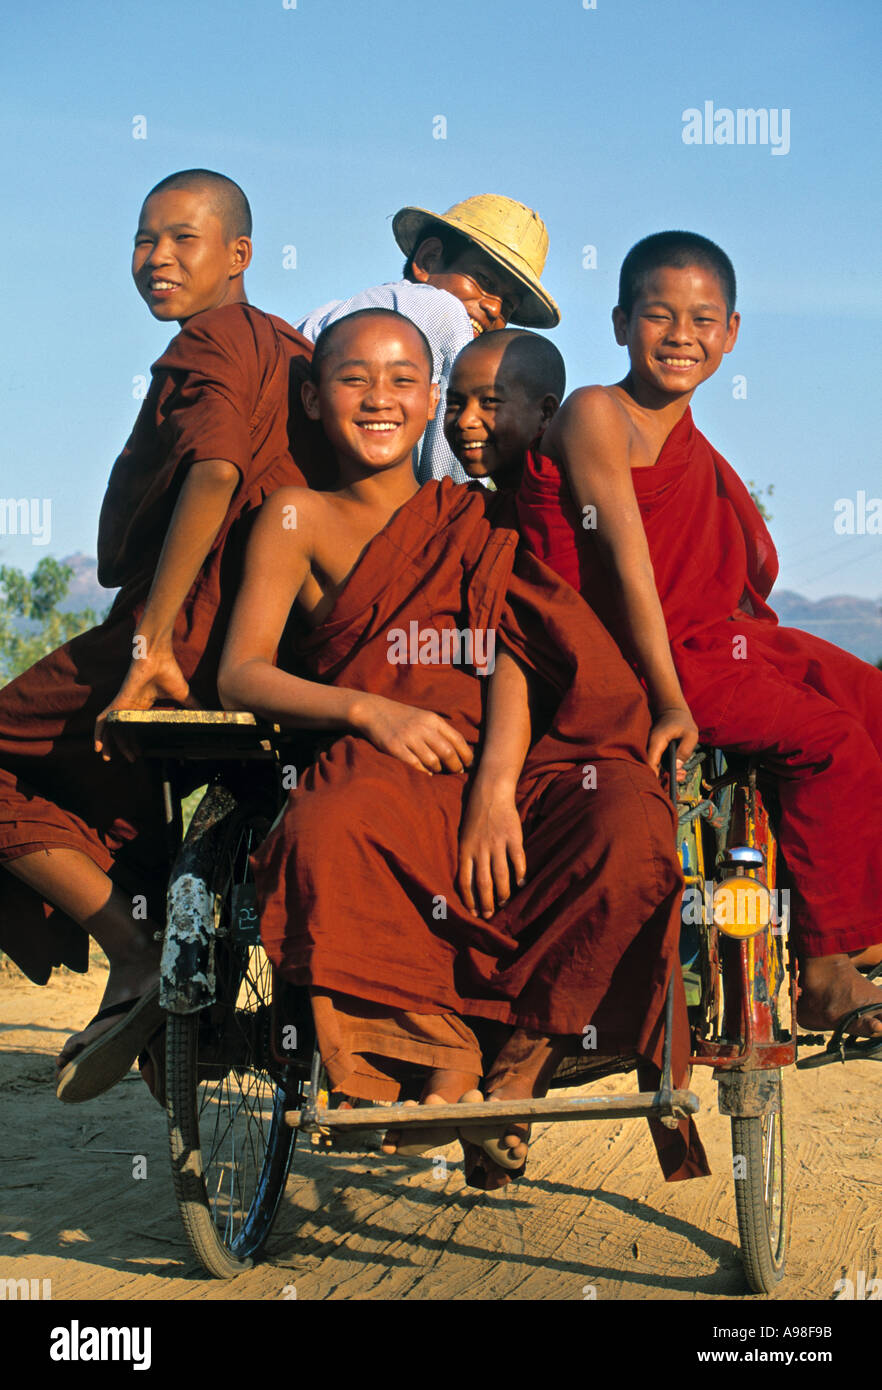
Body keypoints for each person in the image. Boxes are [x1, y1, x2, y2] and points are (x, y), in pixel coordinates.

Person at [218, 306, 708, 1188]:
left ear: (431, 398)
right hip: (385, 763)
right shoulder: (298, 517)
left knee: (630, 821)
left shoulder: (476, 518)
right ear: (314, 397)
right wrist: (370, 712)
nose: (380, 399)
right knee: (328, 827)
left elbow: (513, 656)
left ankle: (524, 1062)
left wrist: (493, 789)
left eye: (403, 380)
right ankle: (433, 1063)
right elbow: (242, 674)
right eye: (353, 379)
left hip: (506, 764)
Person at [0, 169, 328, 1101]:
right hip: (271, 645)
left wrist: (152, 641)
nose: (155, 260)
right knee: (115, 780)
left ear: (240, 255)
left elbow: (218, 471)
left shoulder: (216, 340)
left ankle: (134, 951)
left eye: (183, 239)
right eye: (144, 240)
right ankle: (166, 987)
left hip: (189, 629)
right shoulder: (289, 350)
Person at [516, 230, 882, 1046]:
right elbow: (626, 555)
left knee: (870, 697)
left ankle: (855, 924)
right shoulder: (594, 413)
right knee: (827, 741)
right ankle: (824, 971)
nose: (682, 334)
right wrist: (673, 698)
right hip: (630, 655)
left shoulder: (695, 447)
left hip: (708, 641)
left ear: (733, 333)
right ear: (618, 323)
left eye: (703, 319)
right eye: (659, 315)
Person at [294, 195, 559, 484]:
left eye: (508, 304)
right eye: (484, 281)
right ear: (428, 259)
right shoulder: (441, 308)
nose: (495, 309)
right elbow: (449, 486)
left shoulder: (322, 315)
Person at [443, 327, 565, 493]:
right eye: (455, 403)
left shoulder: (573, 501)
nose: (464, 421)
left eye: (489, 401)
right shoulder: (461, 507)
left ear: (546, 413)